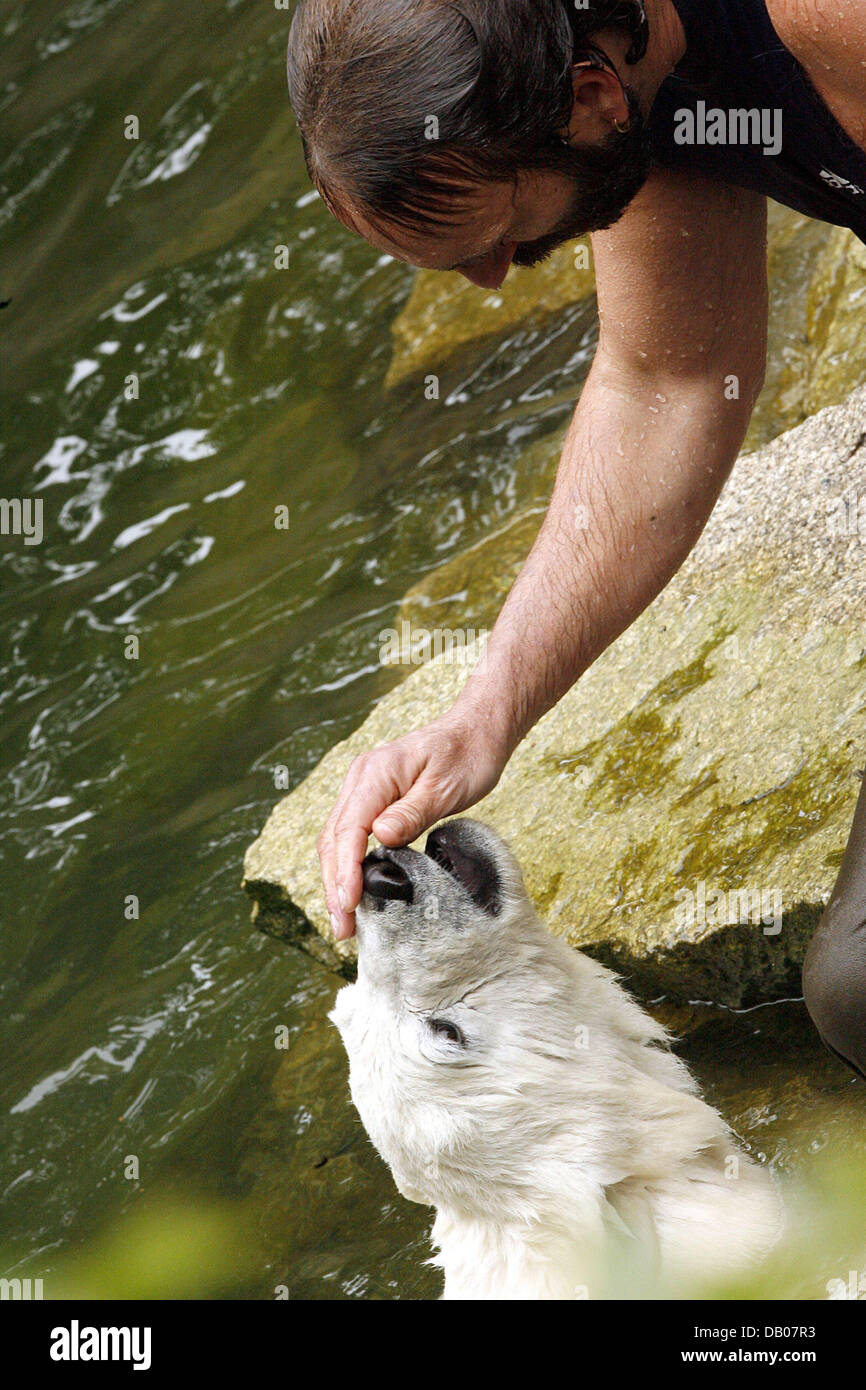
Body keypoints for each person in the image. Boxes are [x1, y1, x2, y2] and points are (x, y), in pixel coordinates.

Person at [287, 0, 866, 1079]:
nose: (493, 281)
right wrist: (482, 713)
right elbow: (667, 378)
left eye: (494, 236)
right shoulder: (625, 84)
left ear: (587, 99)